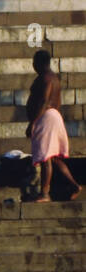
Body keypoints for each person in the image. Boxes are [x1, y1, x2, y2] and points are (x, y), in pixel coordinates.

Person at [25, 49, 82, 202]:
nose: (33, 65)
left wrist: (33, 123)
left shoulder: (46, 78)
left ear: (39, 63)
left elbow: (44, 101)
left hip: (46, 117)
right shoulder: (54, 78)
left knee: (46, 158)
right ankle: (75, 185)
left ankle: (44, 194)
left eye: (34, 62)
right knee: (54, 158)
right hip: (54, 116)